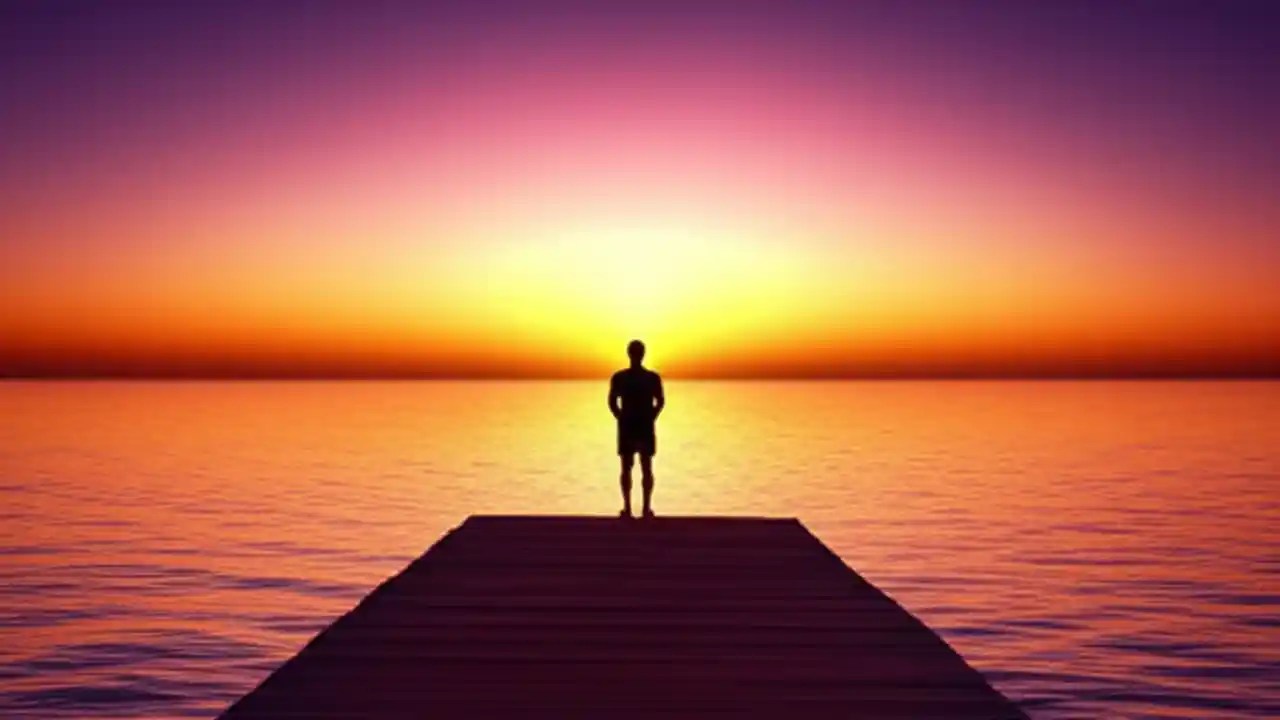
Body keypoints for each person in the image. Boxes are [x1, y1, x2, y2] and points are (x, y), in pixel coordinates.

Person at [608, 340, 664, 519]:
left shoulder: (622, 377)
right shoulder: (649, 378)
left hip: (633, 426)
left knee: (633, 468)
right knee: (640, 467)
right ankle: (641, 509)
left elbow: (612, 402)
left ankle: (632, 508)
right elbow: (660, 401)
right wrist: (650, 416)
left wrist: (621, 417)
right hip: (638, 425)